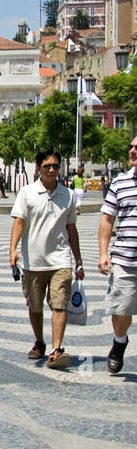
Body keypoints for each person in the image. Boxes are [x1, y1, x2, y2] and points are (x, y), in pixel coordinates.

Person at [10, 148, 83, 369]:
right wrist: (12, 249)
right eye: (47, 166)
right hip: (33, 260)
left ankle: (56, 348)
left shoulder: (68, 195)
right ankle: (40, 342)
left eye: (55, 166)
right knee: (35, 306)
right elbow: (19, 222)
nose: (52, 170)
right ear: (38, 168)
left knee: (59, 304)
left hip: (61, 259)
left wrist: (78, 260)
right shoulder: (27, 193)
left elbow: (71, 229)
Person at [98, 139, 137, 374]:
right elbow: (107, 220)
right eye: (132, 147)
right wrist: (103, 253)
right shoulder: (120, 183)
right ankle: (120, 340)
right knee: (121, 310)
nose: (132, 151)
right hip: (125, 259)